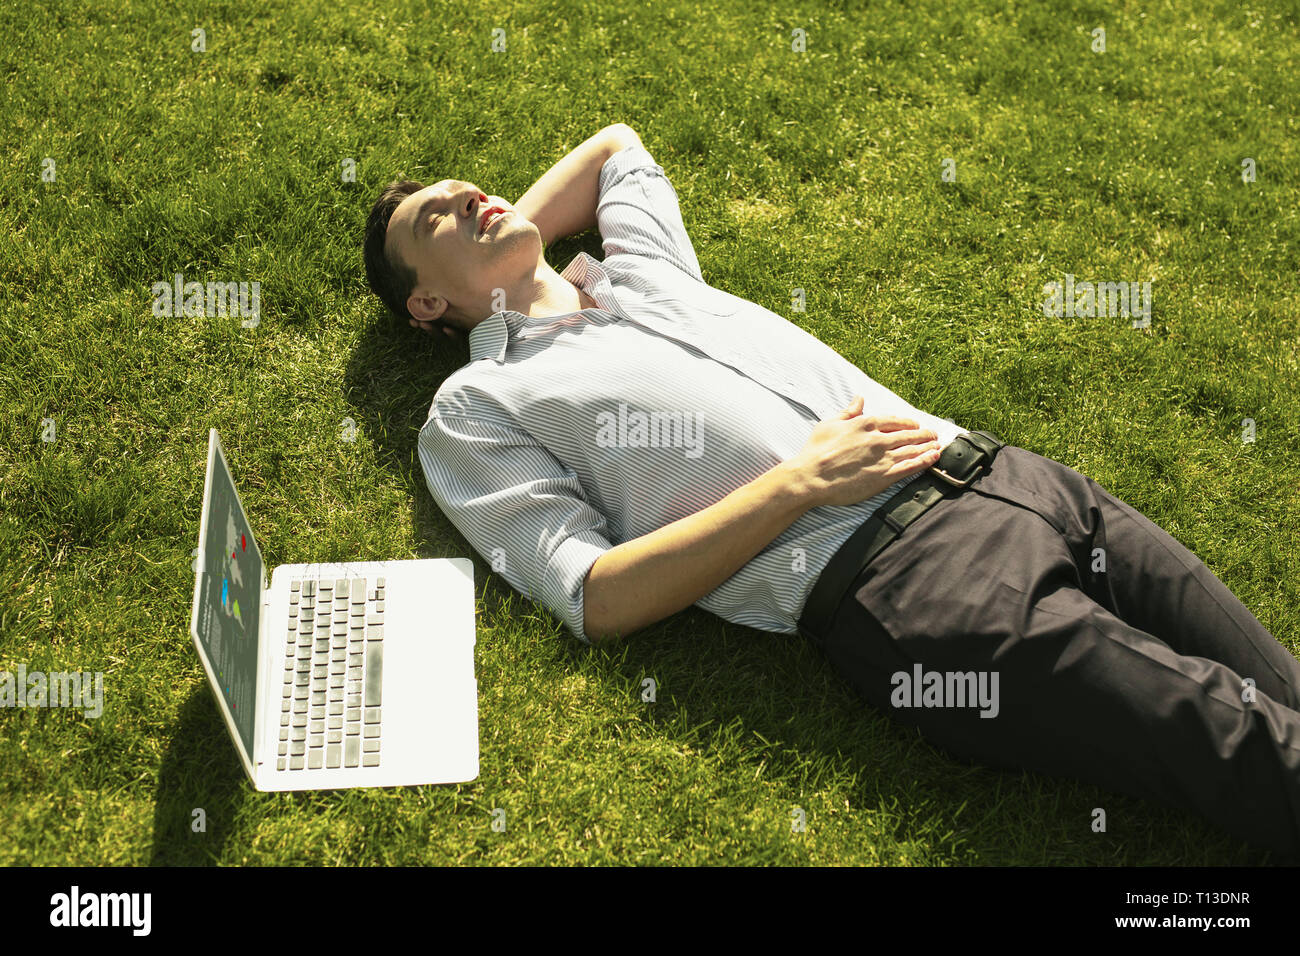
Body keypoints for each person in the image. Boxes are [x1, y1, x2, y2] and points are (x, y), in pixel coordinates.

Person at [362, 123, 1300, 859]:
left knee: (1280, 685)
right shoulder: (477, 407)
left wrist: (503, 247)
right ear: (424, 307)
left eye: (467, 188)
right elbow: (593, 595)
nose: (468, 197)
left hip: (1010, 476)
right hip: (913, 589)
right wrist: (794, 489)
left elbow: (615, 147)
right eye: (435, 220)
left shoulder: (643, 271)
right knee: (1243, 742)